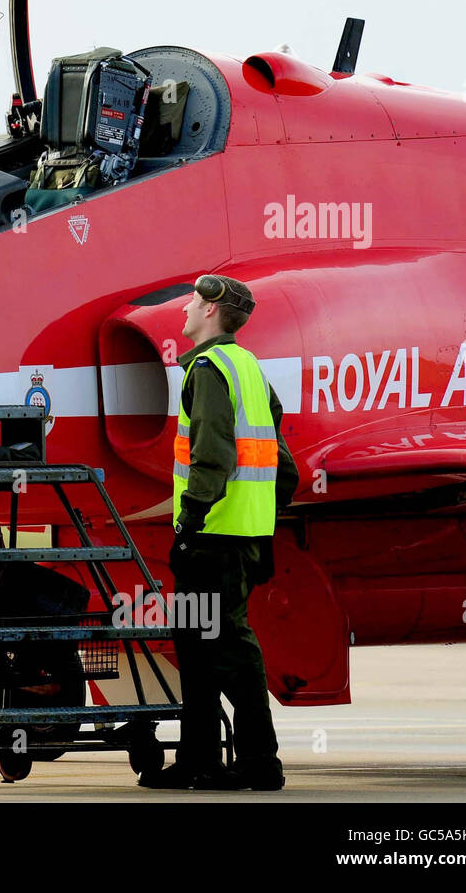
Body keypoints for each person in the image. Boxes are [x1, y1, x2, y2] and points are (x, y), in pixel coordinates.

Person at [139, 274, 299, 791]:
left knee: (223, 645)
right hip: (244, 535)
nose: (184, 308)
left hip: (211, 537)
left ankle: (257, 762)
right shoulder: (248, 366)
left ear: (210, 310)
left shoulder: (208, 370)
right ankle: (200, 761)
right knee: (201, 646)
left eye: (192, 301)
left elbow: (212, 454)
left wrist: (190, 520)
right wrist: (263, 521)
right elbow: (283, 462)